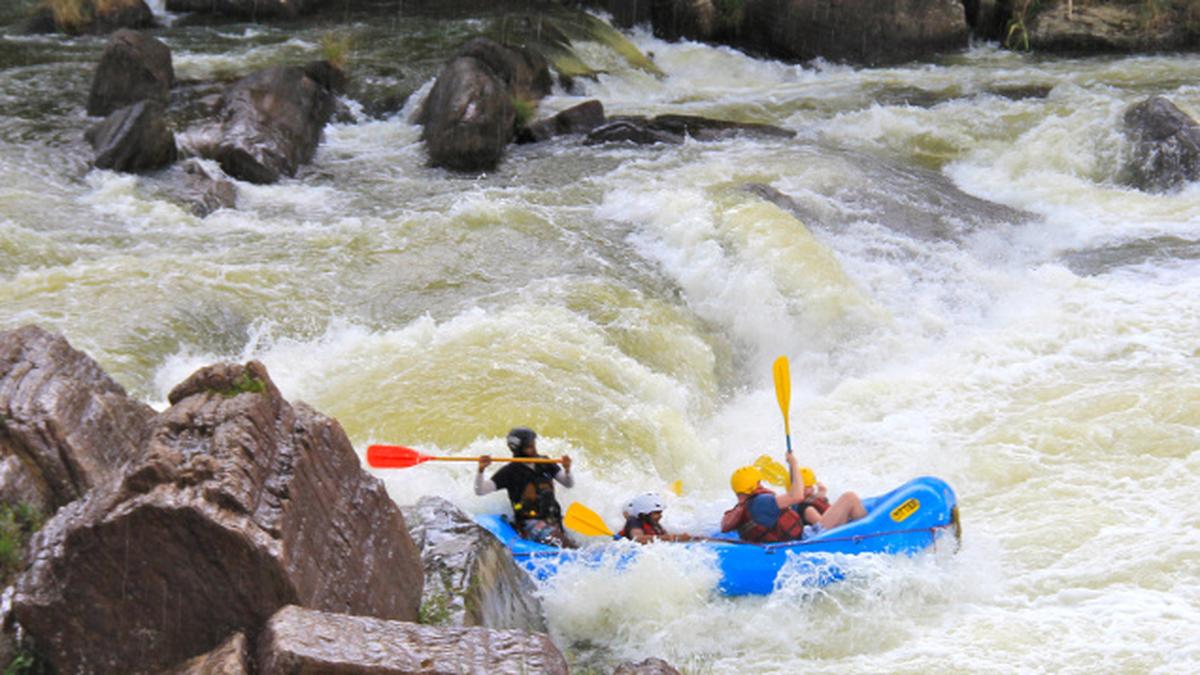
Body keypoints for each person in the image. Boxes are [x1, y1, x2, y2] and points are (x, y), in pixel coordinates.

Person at [721, 453, 865, 543]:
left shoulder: (745, 506)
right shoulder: (761, 503)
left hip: (790, 541)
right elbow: (797, 496)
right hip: (808, 538)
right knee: (849, 497)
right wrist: (793, 463)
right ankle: (868, 534)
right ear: (755, 484)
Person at [476, 427, 575, 547]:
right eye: (529, 447)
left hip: (552, 517)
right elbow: (480, 490)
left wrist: (567, 469)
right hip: (529, 522)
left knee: (573, 543)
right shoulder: (509, 472)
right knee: (564, 543)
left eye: (534, 444)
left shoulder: (545, 463)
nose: (533, 449)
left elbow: (568, 483)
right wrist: (481, 470)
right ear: (518, 450)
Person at [618, 493, 695, 543]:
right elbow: (638, 539)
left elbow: (666, 538)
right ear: (645, 513)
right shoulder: (634, 521)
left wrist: (693, 538)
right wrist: (673, 537)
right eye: (657, 513)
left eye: (660, 513)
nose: (660, 516)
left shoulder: (655, 525)